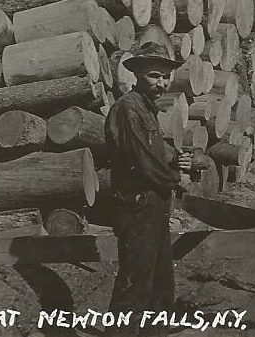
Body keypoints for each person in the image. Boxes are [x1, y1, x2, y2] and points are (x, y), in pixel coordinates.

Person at [105, 42, 192, 337]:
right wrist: (174, 178)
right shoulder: (128, 109)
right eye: (155, 76)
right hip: (136, 206)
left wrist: (176, 160)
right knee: (136, 280)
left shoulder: (146, 109)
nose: (162, 83)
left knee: (158, 275)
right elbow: (142, 162)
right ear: (138, 73)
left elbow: (153, 154)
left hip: (153, 204)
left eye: (166, 77)